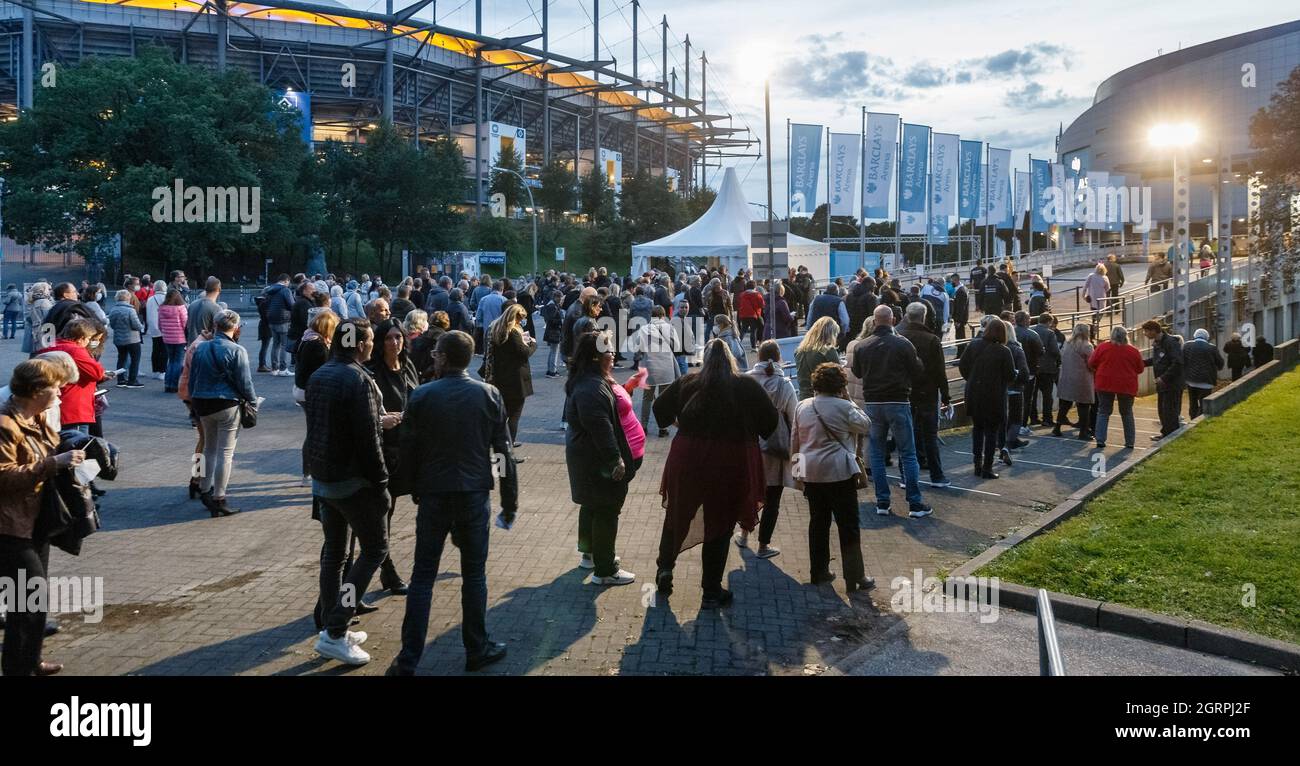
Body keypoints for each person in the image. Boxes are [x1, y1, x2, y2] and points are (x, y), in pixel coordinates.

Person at [651, 339, 777, 607]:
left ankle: (665, 568)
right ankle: (710, 590)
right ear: (731, 359)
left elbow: (659, 410)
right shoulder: (745, 386)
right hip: (730, 461)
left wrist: (681, 423)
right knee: (720, 523)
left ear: (705, 360)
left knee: (677, 513)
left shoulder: (688, 382)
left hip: (688, 456)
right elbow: (770, 423)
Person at [307, 319, 389, 666]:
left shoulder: (321, 374)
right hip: (353, 482)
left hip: (324, 478)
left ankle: (332, 622)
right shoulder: (359, 380)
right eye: (369, 340)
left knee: (335, 554)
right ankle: (336, 630)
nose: (372, 345)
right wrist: (382, 482)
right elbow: (369, 439)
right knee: (374, 550)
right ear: (358, 344)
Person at [0, 359, 88, 676]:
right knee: (26, 599)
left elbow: (50, 448)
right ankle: (17, 669)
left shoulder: (35, 417)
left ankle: (30, 661)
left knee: (32, 601)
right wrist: (55, 463)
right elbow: (4, 476)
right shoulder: (6, 424)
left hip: (34, 519)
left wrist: (75, 445)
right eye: (55, 388)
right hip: (9, 525)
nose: (60, 394)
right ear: (37, 390)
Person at [564, 331, 640, 586]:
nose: (613, 354)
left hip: (590, 459)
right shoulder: (591, 387)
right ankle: (604, 570)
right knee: (607, 510)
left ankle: (591, 554)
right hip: (596, 462)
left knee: (593, 506)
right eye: (609, 351)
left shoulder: (590, 380)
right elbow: (600, 427)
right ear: (596, 357)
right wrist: (615, 460)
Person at [790, 362, 873, 591]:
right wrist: (849, 399)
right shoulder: (844, 407)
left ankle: (818, 571)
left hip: (812, 474)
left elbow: (795, 441)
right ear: (840, 385)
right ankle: (855, 576)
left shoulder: (802, 407)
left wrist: (797, 474)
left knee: (818, 523)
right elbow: (865, 425)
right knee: (848, 526)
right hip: (839, 473)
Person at [852, 304, 932, 517]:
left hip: (873, 404)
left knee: (877, 453)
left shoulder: (863, 346)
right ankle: (914, 503)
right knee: (908, 453)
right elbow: (917, 370)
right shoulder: (903, 344)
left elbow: (857, 372)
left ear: (874, 320)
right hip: (898, 401)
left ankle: (882, 502)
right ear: (894, 320)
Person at [366, 318, 420, 595]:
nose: (395, 342)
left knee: (391, 509)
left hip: (405, 449)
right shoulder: (372, 372)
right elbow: (363, 413)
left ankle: (384, 568)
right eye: (389, 338)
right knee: (381, 513)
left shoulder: (408, 366)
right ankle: (385, 568)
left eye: (398, 337)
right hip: (381, 450)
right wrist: (381, 419)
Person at [187, 311, 256, 517]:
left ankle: (205, 490)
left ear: (215, 326)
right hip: (226, 403)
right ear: (234, 328)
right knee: (225, 453)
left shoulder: (199, 348)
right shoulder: (237, 350)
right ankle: (220, 497)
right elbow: (245, 383)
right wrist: (252, 402)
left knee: (208, 448)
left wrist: (193, 402)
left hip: (202, 402)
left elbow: (193, 377)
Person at [737, 341, 796, 559]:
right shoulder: (785, 384)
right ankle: (763, 545)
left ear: (758, 356)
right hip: (775, 447)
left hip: (750, 445)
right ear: (779, 357)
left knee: (749, 492)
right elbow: (794, 416)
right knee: (773, 498)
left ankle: (743, 534)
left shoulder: (746, 381)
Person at [899, 302, 951, 486]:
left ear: (907, 316)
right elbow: (939, 371)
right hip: (928, 393)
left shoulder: (900, 337)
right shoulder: (932, 339)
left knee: (906, 436)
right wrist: (945, 396)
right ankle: (937, 475)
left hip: (905, 393)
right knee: (930, 436)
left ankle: (905, 476)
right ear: (924, 316)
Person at [958, 317, 1016, 479]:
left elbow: (963, 365)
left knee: (977, 429)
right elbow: (1010, 375)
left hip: (974, 392)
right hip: (994, 395)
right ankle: (987, 467)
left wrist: (972, 378)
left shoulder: (974, 345)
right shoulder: (1004, 351)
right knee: (991, 432)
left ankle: (977, 463)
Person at [295, 310, 338, 487]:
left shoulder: (307, 338)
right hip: (311, 393)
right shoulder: (318, 345)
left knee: (313, 431)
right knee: (315, 432)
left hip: (302, 390)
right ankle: (309, 472)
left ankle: (308, 472)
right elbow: (325, 370)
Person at [48, 319, 113, 435]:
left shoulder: (53, 346)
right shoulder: (76, 350)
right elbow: (96, 372)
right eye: (88, 339)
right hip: (74, 405)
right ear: (81, 338)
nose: (89, 342)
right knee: (77, 443)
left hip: (58, 402)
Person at [487, 304, 537, 454]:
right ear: (514, 317)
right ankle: (508, 448)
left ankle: (502, 444)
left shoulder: (496, 329)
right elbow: (524, 353)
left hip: (502, 376)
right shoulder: (512, 333)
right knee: (514, 415)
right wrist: (533, 344)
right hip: (516, 378)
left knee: (505, 413)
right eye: (521, 318)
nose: (522, 322)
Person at [1089, 325, 1145, 449]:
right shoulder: (1133, 351)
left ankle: (1100, 439)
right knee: (1126, 413)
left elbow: (1091, 362)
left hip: (1104, 382)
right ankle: (1130, 442)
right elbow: (1140, 368)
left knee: (1103, 411)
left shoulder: (1102, 347)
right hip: (1126, 384)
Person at [630, 305, 681, 437]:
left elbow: (638, 347)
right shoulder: (669, 327)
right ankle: (662, 428)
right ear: (663, 315)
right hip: (665, 366)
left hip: (648, 366)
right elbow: (676, 346)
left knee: (646, 398)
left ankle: (644, 426)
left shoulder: (644, 329)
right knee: (663, 398)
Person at [1142, 319, 1185, 439]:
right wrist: (1143, 363)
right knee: (1162, 410)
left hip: (1172, 384)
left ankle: (1171, 435)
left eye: (1146, 331)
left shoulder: (1170, 342)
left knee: (1170, 411)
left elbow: (1177, 362)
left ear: (1154, 331)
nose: (1145, 334)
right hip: (1162, 384)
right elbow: (1157, 360)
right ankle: (1166, 433)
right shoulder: (1158, 342)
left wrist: (1164, 378)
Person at [1052, 323, 1096, 440]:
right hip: (1082, 378)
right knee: (1084, 405)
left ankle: (1057, 427)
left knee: (1065, 404)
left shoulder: (1067, 343)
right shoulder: (1087, 346)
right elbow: (1091, 363)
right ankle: (1083, 432)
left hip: (1067, 377)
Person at [794, 316, 840, 400]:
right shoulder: (828, 351)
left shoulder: (799, 351)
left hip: (803, 397)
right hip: (824, 398)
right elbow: (839, 376)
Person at [107, 290, 145, 389]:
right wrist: (142, 326)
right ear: (128, 298)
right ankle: (132, 380)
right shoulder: (130, 310)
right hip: (132, 339)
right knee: (135, 359)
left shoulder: (113, 310)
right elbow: (136, 325)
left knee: (121, 358)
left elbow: (112, 325)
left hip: (119, 338)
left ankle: (121, 380)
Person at [1183, 328, 1224, 419]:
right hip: (1206, 381)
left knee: (1192, 401)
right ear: (1207, 337)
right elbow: (1220, 363)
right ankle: (1200, 418)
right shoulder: (1212, 348)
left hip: (1191, 380)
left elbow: (1183, 361)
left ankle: (1192, 418)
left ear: (1195, 336)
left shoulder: (1187, 345)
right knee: (1203, 402)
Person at [1029, 313, 1061, 426]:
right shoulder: (1050, 333)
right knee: (1047, 395)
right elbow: (1055, 351)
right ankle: (1047, 418)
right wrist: (1058, 361)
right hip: (1047, 368)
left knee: (1032, 395)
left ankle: (1033, 418)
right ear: (1049, 322)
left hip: (1033, 367)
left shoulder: (1031, 330)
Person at [156, 288, 188, 393]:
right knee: (178, 362)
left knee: (171, 361)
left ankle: (167, 384)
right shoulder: (181, 308)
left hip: (167, 338)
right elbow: (185, 324)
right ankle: (174, 385)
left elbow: (160, 325)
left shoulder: (161, 308)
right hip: (180, 338)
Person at [264, 274, 295, 376]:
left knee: (275, 344)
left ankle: (274, 368)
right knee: (284, 345)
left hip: (271, 319)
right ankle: (283, 369)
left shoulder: (269, 290)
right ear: (286, 281)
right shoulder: (285, 290)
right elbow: (292, 305)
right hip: (283, 319)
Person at [186, 277, 222, 345]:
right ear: (219, 289)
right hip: (205, 348)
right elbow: (218, 333)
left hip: (191, 345)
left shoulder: (192, 304)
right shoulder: (216, 308)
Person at [22, 283, 53, 356]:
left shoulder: (31, 301)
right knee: (46, 355)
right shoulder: (44, 302)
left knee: (36, 354)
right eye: (48, 289)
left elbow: (28, 318)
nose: (50, 291)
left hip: (35, 331)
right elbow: (49, 319)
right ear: (43, 290)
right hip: (46, 331)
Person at [737, 280, 766, 350]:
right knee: (753, 331)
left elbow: (739, 304)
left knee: (743, 330)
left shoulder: (742, 294)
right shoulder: (757, 295)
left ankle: (737, 343)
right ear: (754, 286)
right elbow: (762, 305)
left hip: (743, 314)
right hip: (753, 315)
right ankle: (753, 347)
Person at [948, 274, 970, 342]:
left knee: (960, 337)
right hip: (961, 317)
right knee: (960, 336)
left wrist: (958, 320)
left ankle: (961, 351)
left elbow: (961, 307)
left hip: (960, 319)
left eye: (952, 281)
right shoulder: (962, 289)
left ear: (956, 280)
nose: (951, 283)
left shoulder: (961, 291)